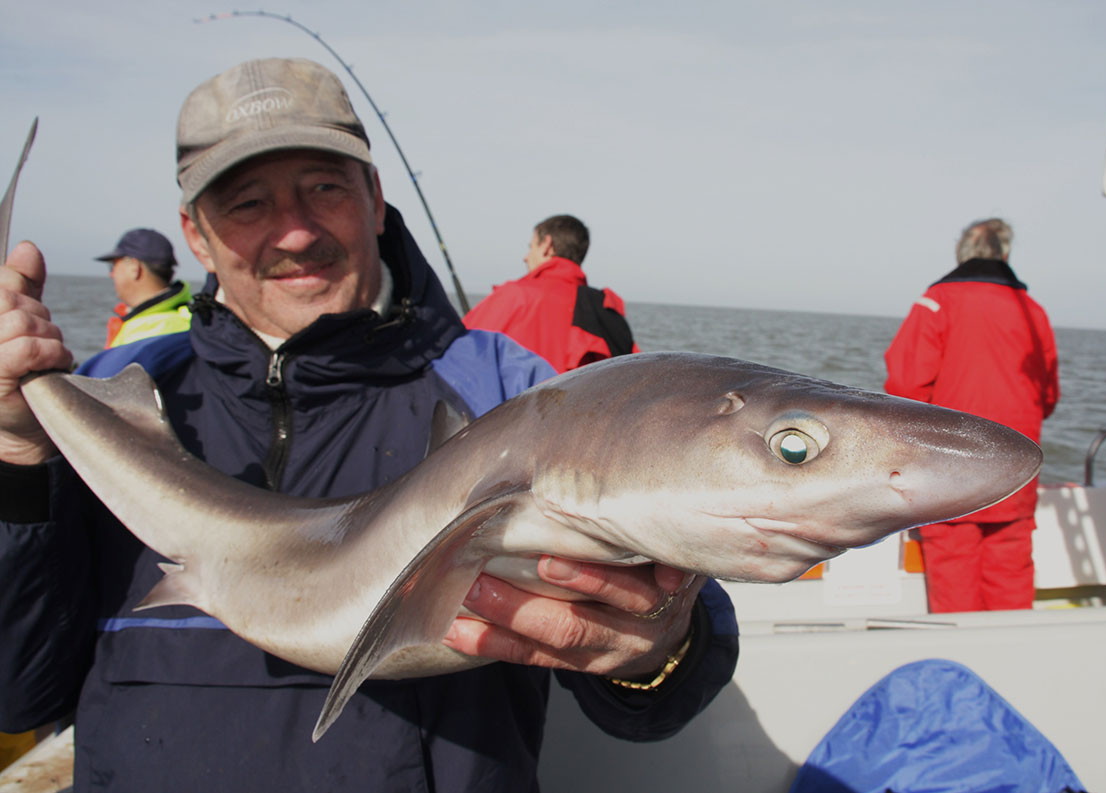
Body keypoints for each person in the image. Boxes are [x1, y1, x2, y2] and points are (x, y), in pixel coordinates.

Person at [0, 57, 738, 791]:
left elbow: (660, 695)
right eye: (248, 203)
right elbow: (19, 691)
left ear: (376, 198)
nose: (295, 233)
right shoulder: (107, 406)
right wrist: (13, 455)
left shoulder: (507, 392)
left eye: (324, 187)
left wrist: (663, 642)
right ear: (195, 235)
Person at [883, 217, 1059, 613]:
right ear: (1005, 253)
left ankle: (962, 648)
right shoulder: (1033, 311)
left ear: (961, 252)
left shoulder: (937, 302)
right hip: (1016, 465)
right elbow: (1048, 397)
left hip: (952, 465)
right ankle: (1010, 647)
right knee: (1011, 571)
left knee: (953, 568)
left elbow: (905, 386)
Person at [463, 214, 639, 372]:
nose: (525, 257)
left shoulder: (515, 296)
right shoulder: (609, 311)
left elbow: (459, 354)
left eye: (531, 247)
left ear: (547, 245)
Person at [94, 227, 193, 348]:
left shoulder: (147, 332)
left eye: (113, 266)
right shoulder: (186, 317)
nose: (111, 274)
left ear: (134, 268)